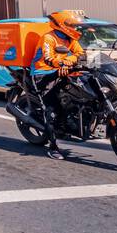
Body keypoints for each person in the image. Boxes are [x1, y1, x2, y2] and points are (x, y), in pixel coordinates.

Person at [31, 10, 86, 159]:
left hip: (61, 70)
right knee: (52, 110)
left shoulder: (70, 38)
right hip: (43, 74)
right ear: (62, 25)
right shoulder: (48, 38)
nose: (75, 28)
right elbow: (48, 58)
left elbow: (81, 54)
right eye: (71, 25)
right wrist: (63, 62)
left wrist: (69, 62)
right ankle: (53, 146)